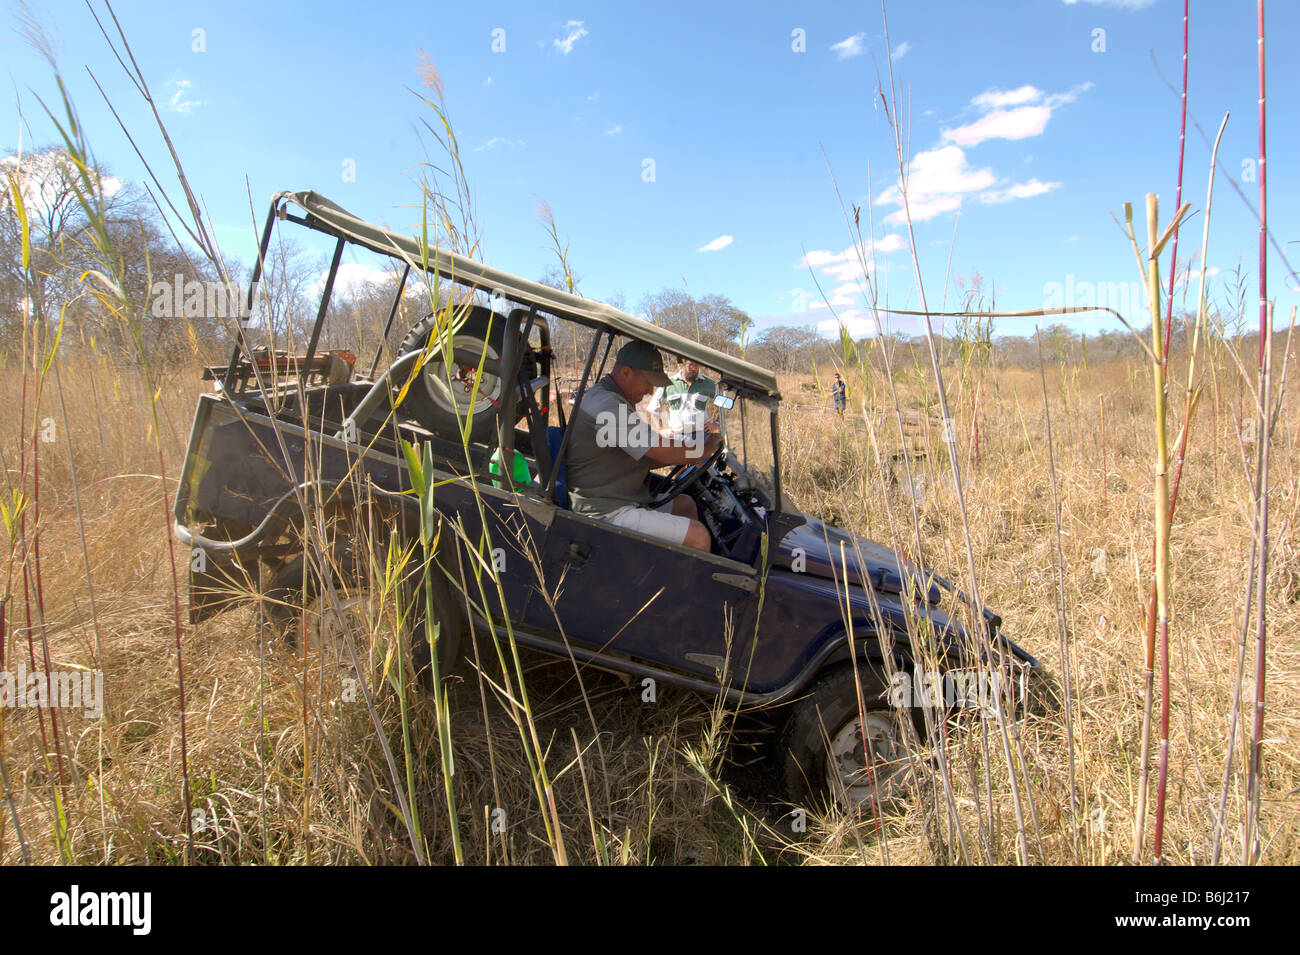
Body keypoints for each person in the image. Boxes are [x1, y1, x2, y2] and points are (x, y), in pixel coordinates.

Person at [565, 340, 721, 552]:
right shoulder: (606, 405)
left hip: (619, 495)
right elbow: (663, 450)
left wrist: (684, 455)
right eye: (648, 381)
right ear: (626, 372)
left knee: (685, 505)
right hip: (605, 509)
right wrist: (706, 448)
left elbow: (644, 455)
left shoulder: (614, 400)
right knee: (698, 536)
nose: (650, 390)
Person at [647, 358, 718, 437]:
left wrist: (716, 424)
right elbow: (653, 408)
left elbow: (724, 405)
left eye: (697, 365)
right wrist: (660, 430)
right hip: (677, 437)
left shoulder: (709, 384)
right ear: (683, 363)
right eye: (690, 365)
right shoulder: (668, 383)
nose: (694, 368)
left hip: (703, 436)